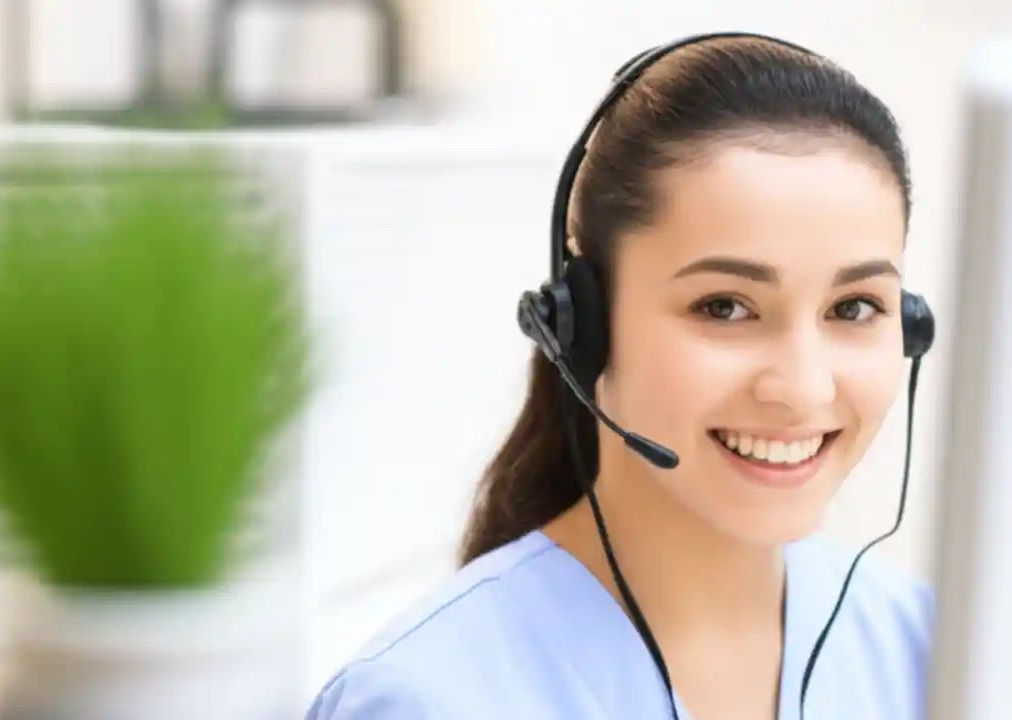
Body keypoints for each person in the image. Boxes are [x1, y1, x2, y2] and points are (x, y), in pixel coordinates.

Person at [305, 32, 933, 720]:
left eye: (853, 307)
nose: (805, 388)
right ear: (584, 328)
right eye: (724, 307)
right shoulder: (428, 698)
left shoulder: (926, 650)